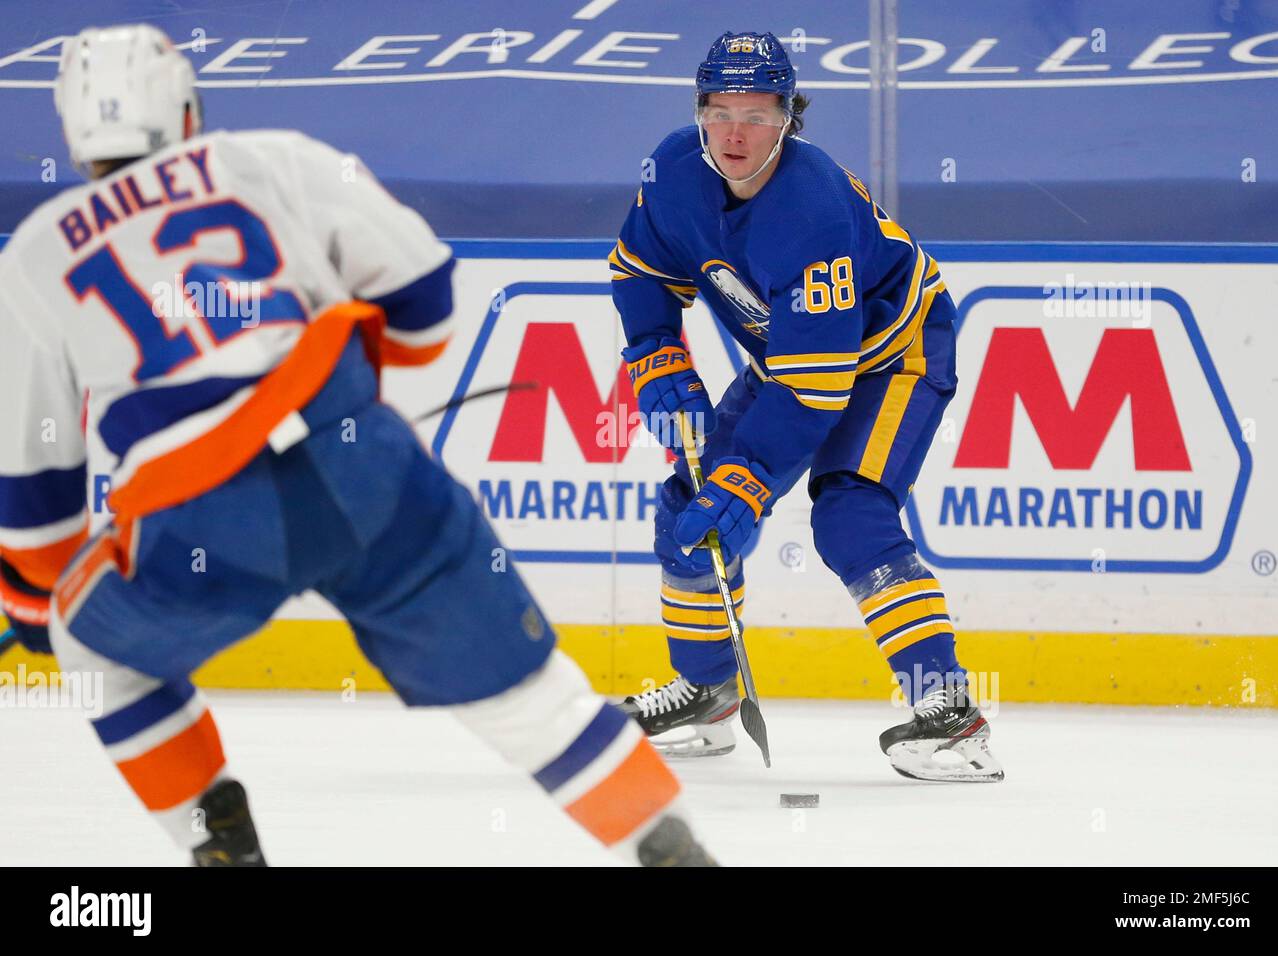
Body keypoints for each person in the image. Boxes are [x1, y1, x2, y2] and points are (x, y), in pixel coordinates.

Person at [0, 24, 716, 865]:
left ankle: (216, 841)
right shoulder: (272, 156)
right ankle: (660, 842)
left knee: (97, 650)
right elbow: (425, 302)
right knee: (529, 694)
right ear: (187, 108)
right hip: (364, 461)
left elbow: (35, 501)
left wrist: (39, 609)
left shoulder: (36, 253)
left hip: (200, 512)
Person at [610, 31, 1003, 782]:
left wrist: (748, 480)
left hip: (895, 354)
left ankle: (948, 710)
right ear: (698, 110)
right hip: (792, 356)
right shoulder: (671, 172)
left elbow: (817, 389)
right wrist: (655, 351)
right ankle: (709, 694)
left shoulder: (812, 210)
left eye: (757, 113)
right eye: (719, 109)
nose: (734, 132)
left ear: (791, 117)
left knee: (849, 512)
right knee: (691, 511)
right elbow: (638, 269)